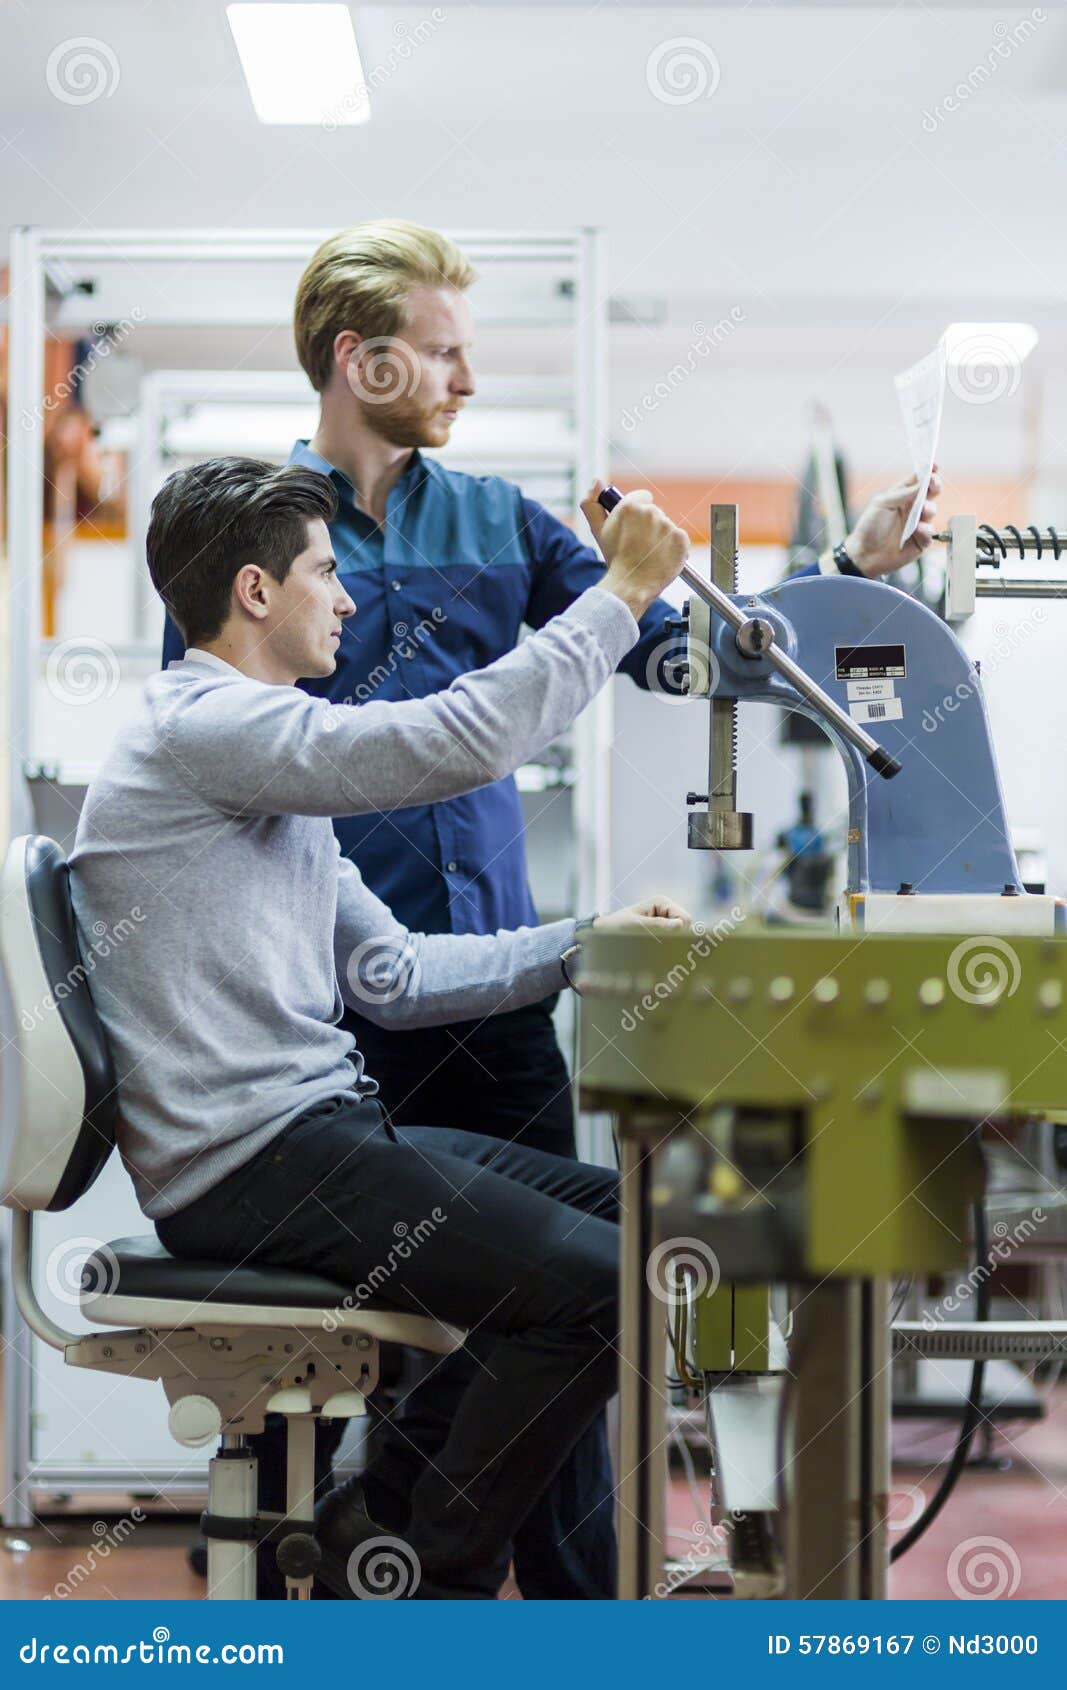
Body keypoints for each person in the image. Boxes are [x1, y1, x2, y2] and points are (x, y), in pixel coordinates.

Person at [161, 220, 942, 1599]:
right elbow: (324, 752)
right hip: (340, 1023)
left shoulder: (493, 520)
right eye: (446, 352)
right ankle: (374, 1587)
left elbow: (682, 647)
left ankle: (574, 1616)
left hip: (484, 993)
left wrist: (846, 564)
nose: (465, 381)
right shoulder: (253, 542)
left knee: (573, 1323)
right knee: (381, 1351)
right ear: (362, 358)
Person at [71, 454, 693, 1599]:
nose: (348, 598)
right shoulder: (205, 725)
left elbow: (391, 972)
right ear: (257, 593)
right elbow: (449, 743)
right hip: (257, 1163)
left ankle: (385, 1525)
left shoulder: (258, 748)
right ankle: (428, 1570)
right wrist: (618, 600)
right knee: (607, 1287)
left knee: (648, 1225)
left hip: (323, 1135)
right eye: (324, 573)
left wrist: (585, 942)